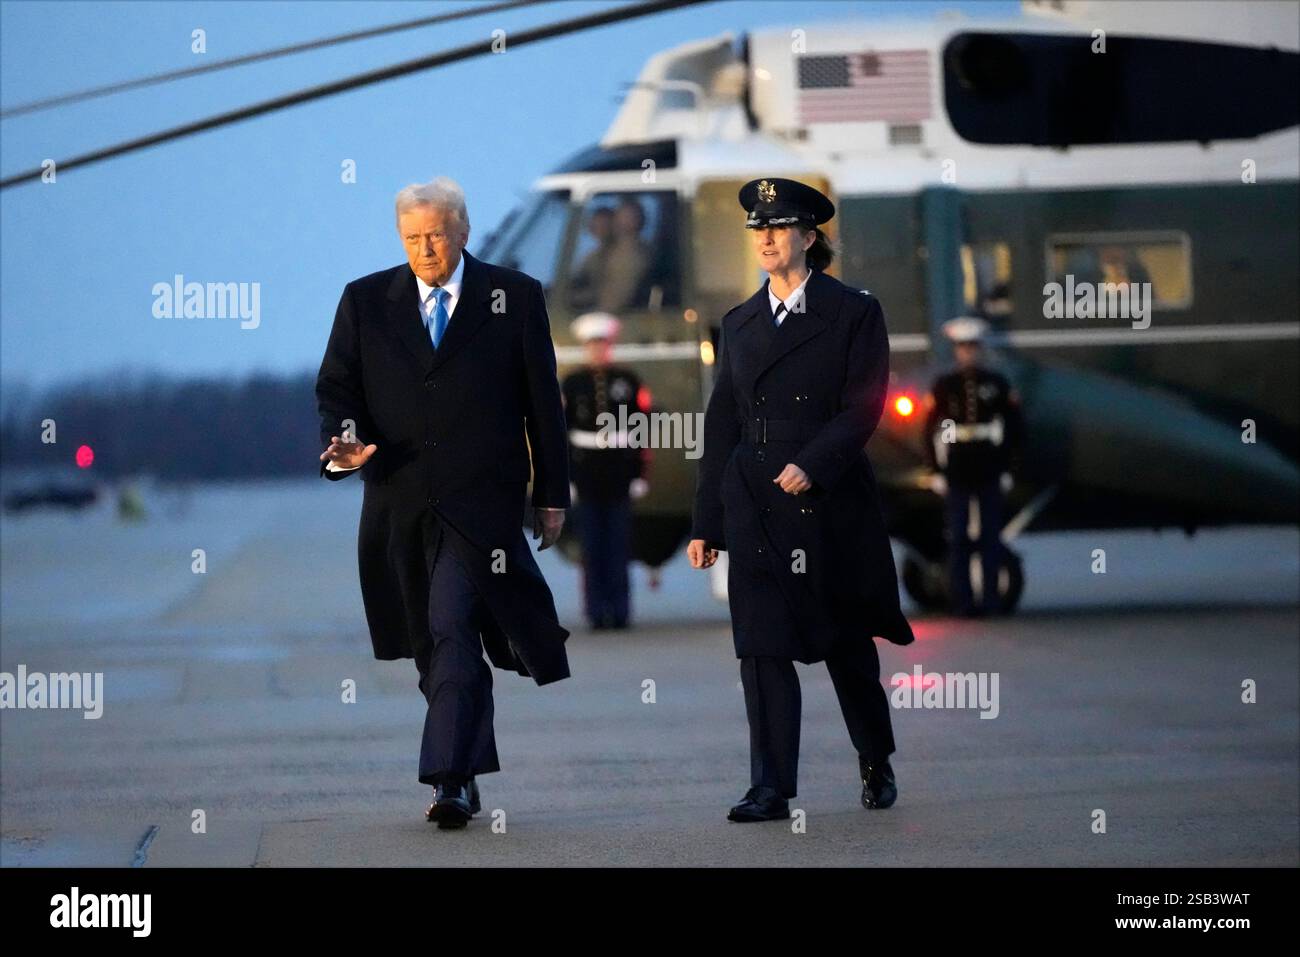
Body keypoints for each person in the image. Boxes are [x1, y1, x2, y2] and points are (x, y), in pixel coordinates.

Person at [315, 176, 571, 829]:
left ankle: (449, 779)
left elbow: (544, 405)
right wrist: (345, 444)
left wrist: (551, 494)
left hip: (480, 505)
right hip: (398, 503)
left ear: (462, 229)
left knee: (454, 626)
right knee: (434, 643)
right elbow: (338, 391)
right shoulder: (366, 301)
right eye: (411, 238)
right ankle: (466, 763)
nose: (424, 248)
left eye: (434, 234)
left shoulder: (513, 298)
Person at [687, 177, 915, 823]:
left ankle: (875, 756)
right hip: (754, 500)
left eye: (779, 228)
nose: (765, 238)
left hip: (829, 499)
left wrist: (813, 465)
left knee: (846, 644)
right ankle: (770, 786)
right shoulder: (738, 322)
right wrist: (706, 521)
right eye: (757, 229)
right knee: (760, 648)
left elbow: (864, 403)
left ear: (809, 239)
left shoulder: (853, 311)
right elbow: (722, 421)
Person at [923, 316, 1024, 617]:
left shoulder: (996, 384)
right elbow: (930, 429)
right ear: (956, 351)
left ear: (979, 349)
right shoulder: (945, 386)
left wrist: (1009, 468)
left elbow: (1015, 429)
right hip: (958, 468)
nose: (968, 353)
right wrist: (936, 471)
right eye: (962, 347)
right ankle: (963, 601)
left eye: (972, 347)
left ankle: (991, 599)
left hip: (989, 466)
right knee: (959, 538)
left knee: (991, 538)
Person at [561, 312, 650, 630]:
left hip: (619, 471)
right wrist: (565, 478)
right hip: (586, 472)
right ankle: (596, 611)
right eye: (592, 345)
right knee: (591, 546)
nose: (598, 351)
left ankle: (620, 610)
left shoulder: (626, 381)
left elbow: (641, 429)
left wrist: (640, 474)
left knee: (618, 545)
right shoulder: (572, 383)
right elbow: (562, 433)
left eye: (603, 344)